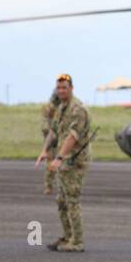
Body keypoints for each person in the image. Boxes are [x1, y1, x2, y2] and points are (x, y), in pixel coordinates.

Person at [38, 73, 92, 252]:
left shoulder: (78, 109)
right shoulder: (62, 108)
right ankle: (68, 236)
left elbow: (72, 137)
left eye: (64, 88)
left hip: (75, 161)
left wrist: (59, 158)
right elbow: (54, 131)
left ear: (71, 89)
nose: (61, 91)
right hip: (64, 160)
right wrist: (45, 151)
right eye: (59, 88)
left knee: (72, 200)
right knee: (61, 201)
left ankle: (77, 241)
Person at [38, 89, 60, 196]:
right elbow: (47, 124)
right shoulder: (51, 108)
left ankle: (50, 186)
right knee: (51, 162)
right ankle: (49, 186)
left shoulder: (63, 107)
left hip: (57, 137)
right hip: (52, 137)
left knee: (54, 162)